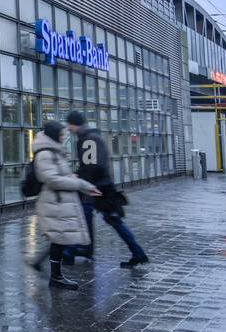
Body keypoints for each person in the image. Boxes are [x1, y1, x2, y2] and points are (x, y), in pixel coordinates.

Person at [66, 111, 149, 268]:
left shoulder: (87, 140)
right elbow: (92, 165)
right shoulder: (93, 137)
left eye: (70, 124)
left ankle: (137, 253)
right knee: (97, 217)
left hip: (97, 188)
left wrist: (80, 180)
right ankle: (85, 249)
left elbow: (91, 166)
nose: (68, 127)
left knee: (110, 220)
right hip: (101, 186)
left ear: (75, 124)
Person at [30, 120, 98, 290]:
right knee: (59, 239)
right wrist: (80, 184)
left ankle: (56, 276)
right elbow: (51, 179)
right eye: (60, 135)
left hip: (59, 201)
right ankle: (56, 277)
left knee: (59, 239)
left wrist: (78, 182)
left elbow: (58, 176)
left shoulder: (54, 151)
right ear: (54, 135)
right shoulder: (45, 153)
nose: (63, 137)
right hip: (53, 202)